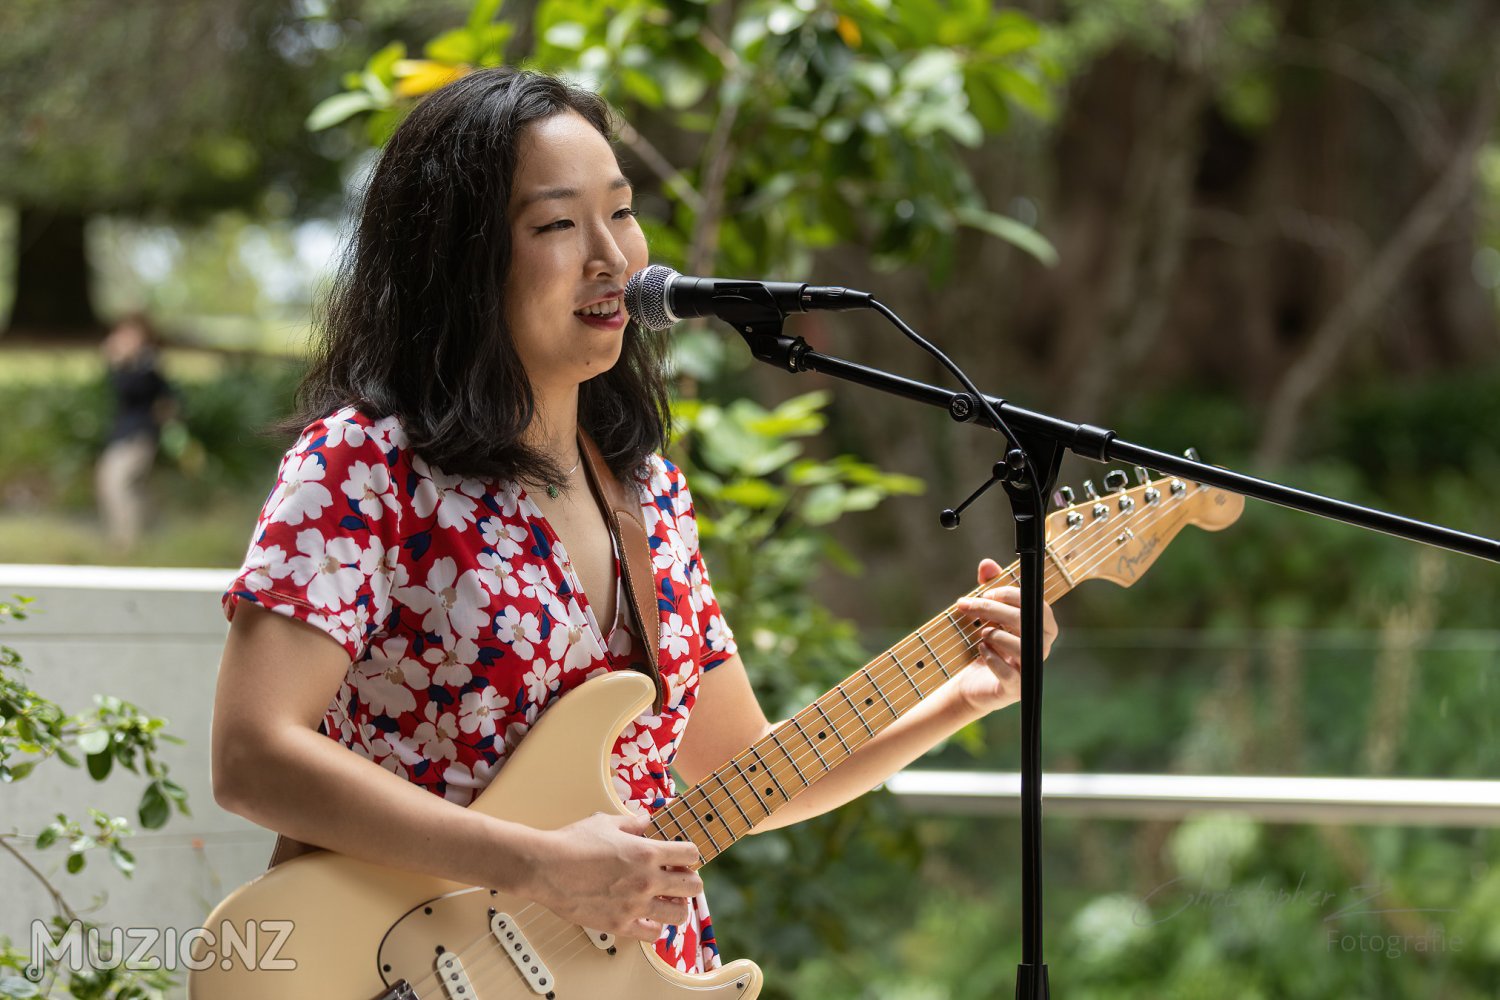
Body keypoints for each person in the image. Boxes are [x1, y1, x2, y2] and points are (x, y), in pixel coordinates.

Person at [210, 67, 1059, 976]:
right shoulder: (365, 465)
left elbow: (750, 775)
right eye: (556, 225)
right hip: (402, 968)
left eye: (620, 212)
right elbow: (253, 755)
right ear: (456, 261)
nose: (613, 257)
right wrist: (537, 865)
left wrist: (963, 697)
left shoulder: (645, 490)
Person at [96, 312, 175, 552]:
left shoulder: (146, 364)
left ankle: (127, 542)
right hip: (128, 433)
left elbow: (134, 389)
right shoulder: (137, 364)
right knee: (130, 486)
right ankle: (137, 539)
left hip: (138, 435)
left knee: (116, 482)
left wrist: (118, 361)